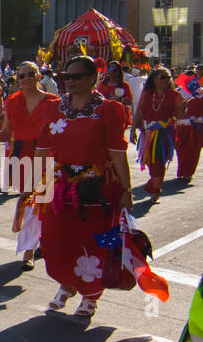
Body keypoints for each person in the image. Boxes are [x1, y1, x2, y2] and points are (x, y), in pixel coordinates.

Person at [35, 55, 133, 317]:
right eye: (66, 76)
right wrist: (36, 187)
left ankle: (91, 294)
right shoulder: (53, 108)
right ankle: (66, 284)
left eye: (76, 76)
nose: (70, 81)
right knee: (56, 240)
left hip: (96, 190)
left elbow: (117, 153)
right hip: (60, 188)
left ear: (93, 78)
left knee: (93, 242)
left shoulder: (108, 110)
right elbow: (42, 151)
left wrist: (126, 190)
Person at [0, 61, 60, 268]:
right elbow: (6, 134)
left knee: (44, 201)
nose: (25, 79)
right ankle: (31, 247)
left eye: (30, 74)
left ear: (38, 76)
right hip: (21, 153)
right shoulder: (12, 101)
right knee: (30, 200)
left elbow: (61, 133)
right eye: (21, 76)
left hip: (47, 154)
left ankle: (32, 248)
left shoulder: (54, 102)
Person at [132, 65, 186, 198]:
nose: (166, 80)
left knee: (159, 160)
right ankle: (154, 183)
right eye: (162, 77)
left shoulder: (176, 95)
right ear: (154, 79)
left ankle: (156, 188)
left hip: (165, 133)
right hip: (148, 132)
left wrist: (183, 109)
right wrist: (133, 130)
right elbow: (139, 112)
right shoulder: (147, 94)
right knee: (151, 161)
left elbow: (179, 117)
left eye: (168, 77)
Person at [176, 89, 203, 182]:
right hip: (184, 124)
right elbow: (179, 107)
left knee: (194, 150)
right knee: (182, 148)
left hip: (198, 126)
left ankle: (188, 172)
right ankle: (183, 171)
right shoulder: (182, 90)